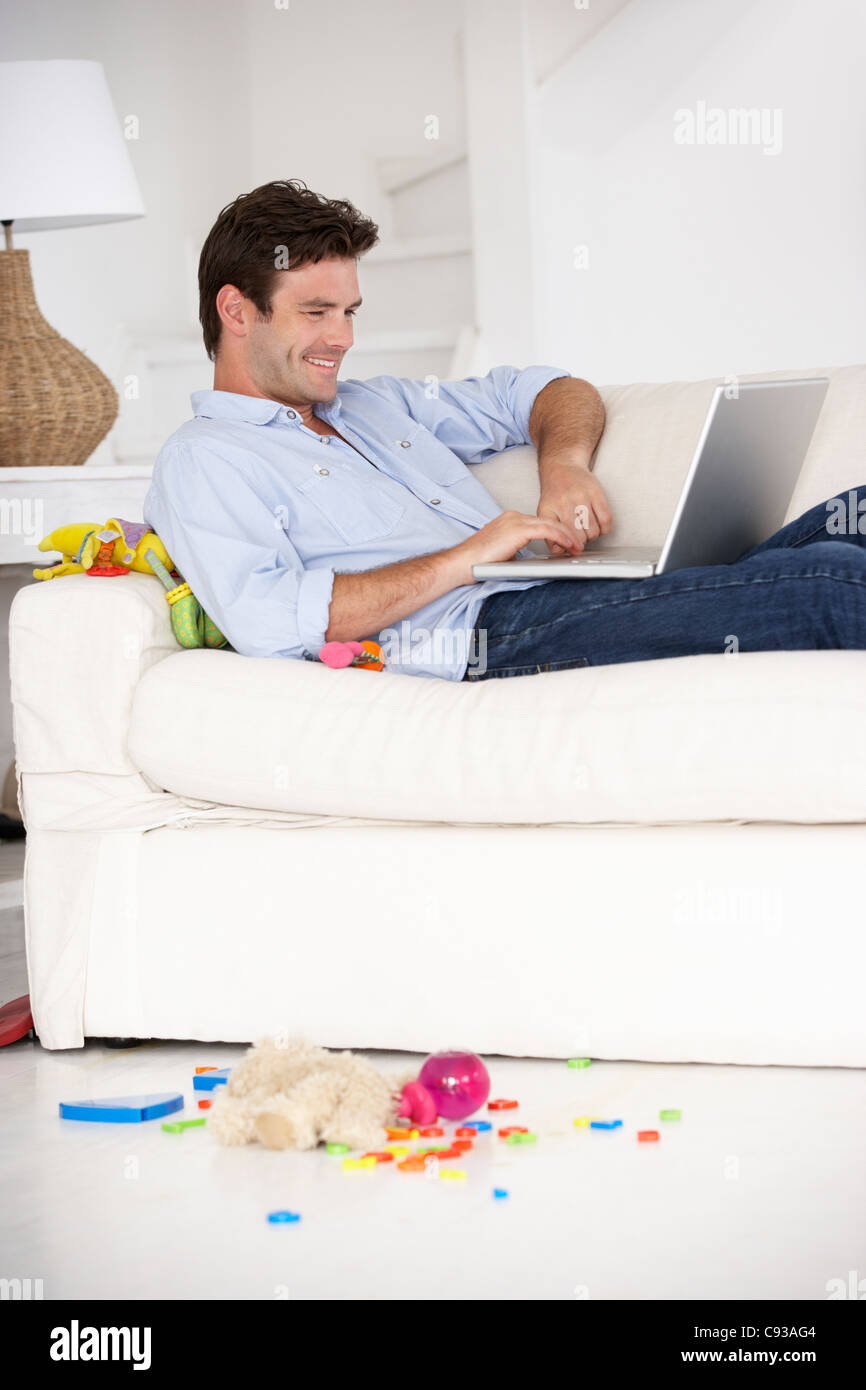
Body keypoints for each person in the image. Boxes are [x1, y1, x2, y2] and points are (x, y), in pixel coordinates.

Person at [145, 179, 866, 683]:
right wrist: (468, 557)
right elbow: (271, 622)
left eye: (351, 311)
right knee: (827, 586)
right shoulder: (205, 461)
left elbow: (547, 391)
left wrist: (566, 468)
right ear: (237, 312)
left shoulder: (373, 404)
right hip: (483, 635)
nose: (343, 337)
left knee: (855, 513)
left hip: (540, 588)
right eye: (317, 312)